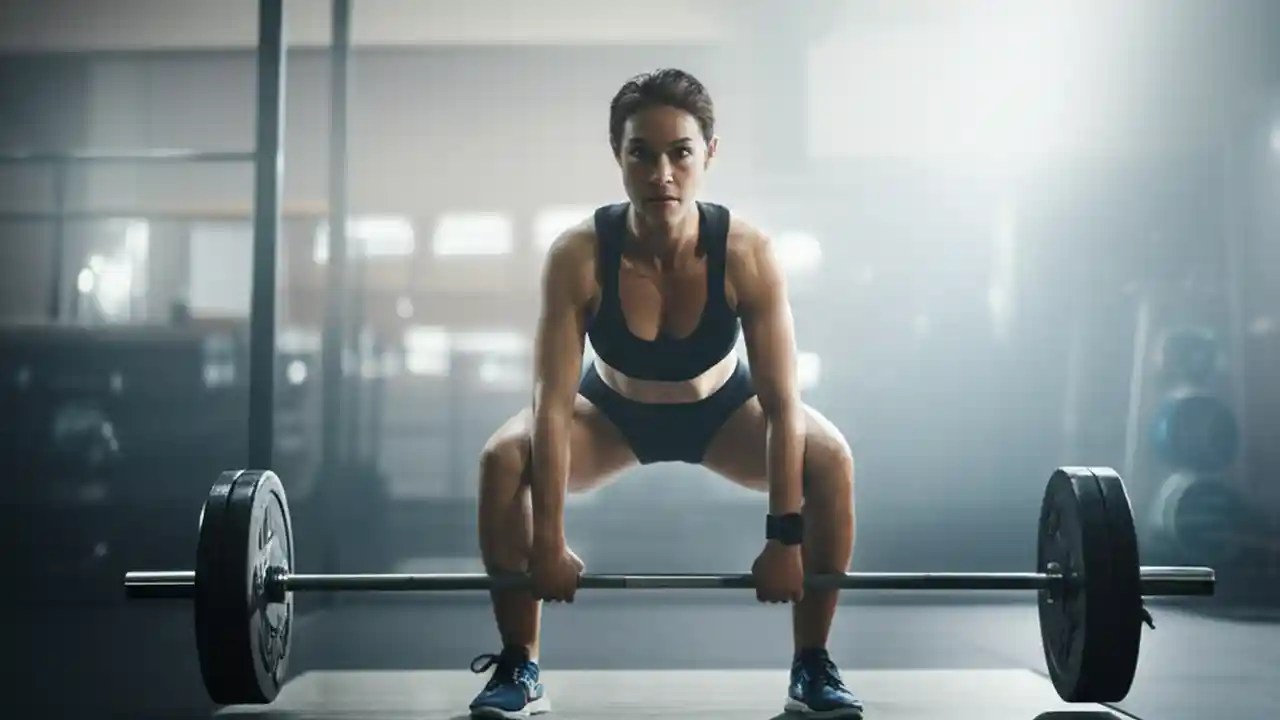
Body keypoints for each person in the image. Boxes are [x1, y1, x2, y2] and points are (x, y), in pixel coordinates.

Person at [467, 68, 862, 719]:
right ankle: (520, 662)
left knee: (832, 459)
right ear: (618, 156)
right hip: (610, 418)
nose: (661, 173)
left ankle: (811, 664)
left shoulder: (746, 252)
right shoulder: (579, 255)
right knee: (502, 460)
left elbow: (783, 403)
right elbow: (550, 399)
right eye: (640, 153)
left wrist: (785, 541)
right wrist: (548, 541)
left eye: (680, 152)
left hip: (725, 416)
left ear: (709, 153)